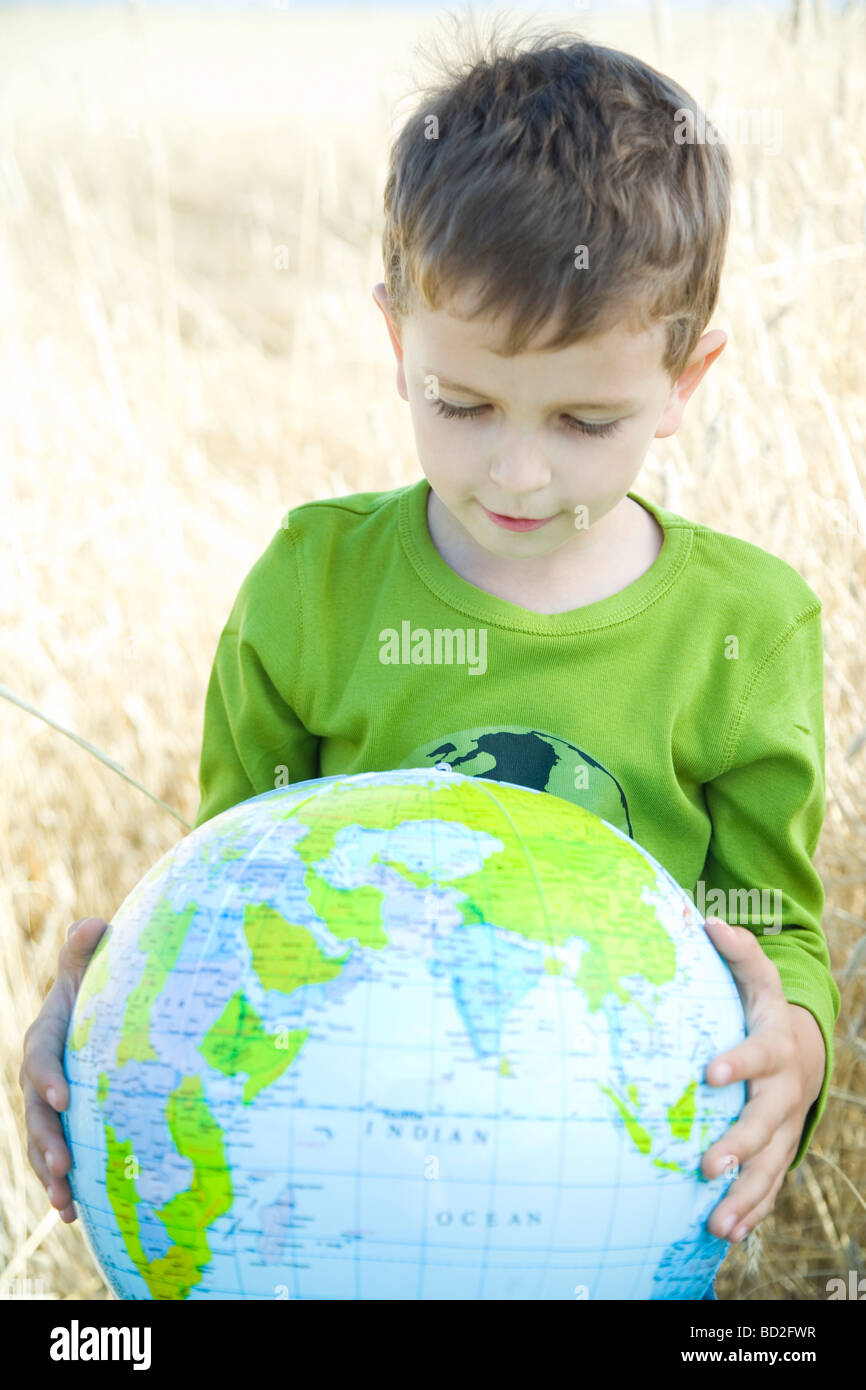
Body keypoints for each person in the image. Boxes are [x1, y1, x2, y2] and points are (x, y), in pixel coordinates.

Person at [20, 22, 838, 1297]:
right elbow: (236, 891)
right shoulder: (313, 587)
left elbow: (770, 922)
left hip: (593, 1226)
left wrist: (794, 1038)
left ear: (687, 376)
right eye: (460, 405)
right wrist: (126, 1005)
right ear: (395, 341)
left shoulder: (745, 627)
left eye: (583, 419)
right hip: (327, 1213)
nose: (516, 471)